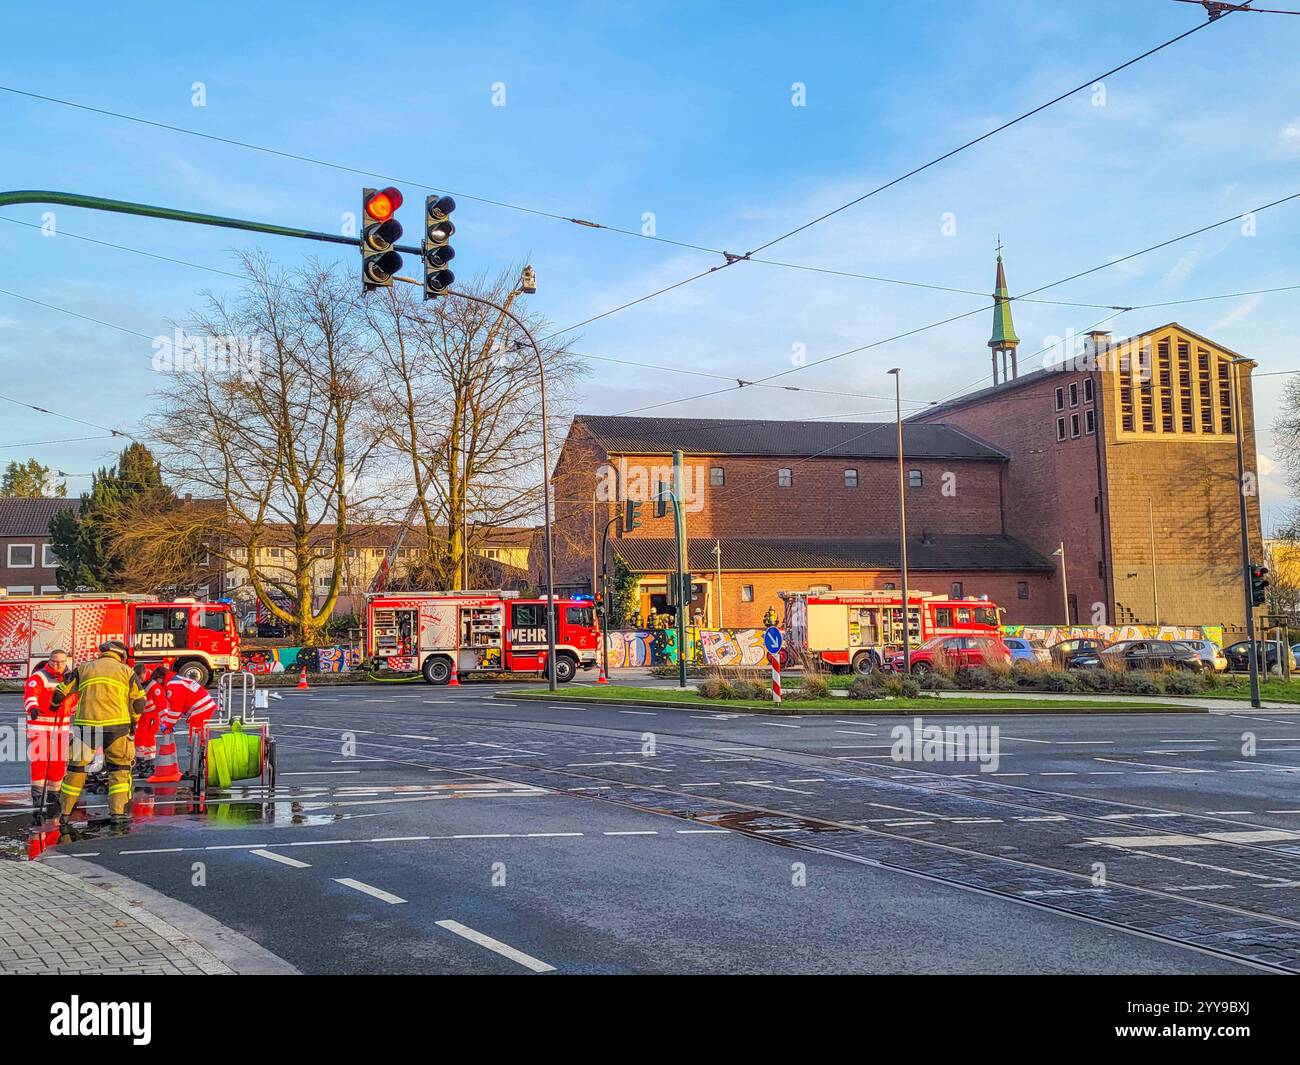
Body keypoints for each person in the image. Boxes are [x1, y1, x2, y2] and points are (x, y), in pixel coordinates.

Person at [52, 641, 146, 826]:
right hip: (117, 727)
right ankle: (118, 813)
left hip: (86, 726)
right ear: (121, 655)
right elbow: (139, 703)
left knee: (76, 770)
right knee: (119, 770)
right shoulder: (126, 671)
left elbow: (61, 691)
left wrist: (55, 704)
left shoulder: (84, 668)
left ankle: (64, 813)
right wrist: (133, 722)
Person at [24, 649, 71, 812]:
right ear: (49, 661)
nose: (58, 665)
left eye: (61, 662)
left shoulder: (69, 679)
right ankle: (37, 796)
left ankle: (54, 793)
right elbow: (30, 695)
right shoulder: (39, 677)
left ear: (66, 661)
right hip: (40, 727)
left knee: (58, 763)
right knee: (40, 762)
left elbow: (75, 701)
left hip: (61, 728)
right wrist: (33, 708)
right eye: (54, 661)